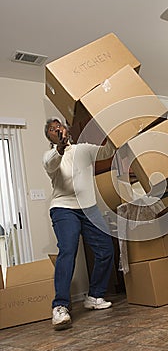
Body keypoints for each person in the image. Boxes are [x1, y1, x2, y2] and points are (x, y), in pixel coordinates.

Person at [43, 118, 115, 330]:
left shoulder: (83, 149)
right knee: (68, 250)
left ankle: (94, 296)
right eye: (52, 130)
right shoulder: (50, 155)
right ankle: (60, 307)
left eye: (59, 126)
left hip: (89, 207)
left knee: (106, 249)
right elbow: (52, 164)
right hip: (63, 208)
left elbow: (106, 152)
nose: (58, 130)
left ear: (66, 129)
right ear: (50, 137)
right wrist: (60, 148)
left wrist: (113, 132)